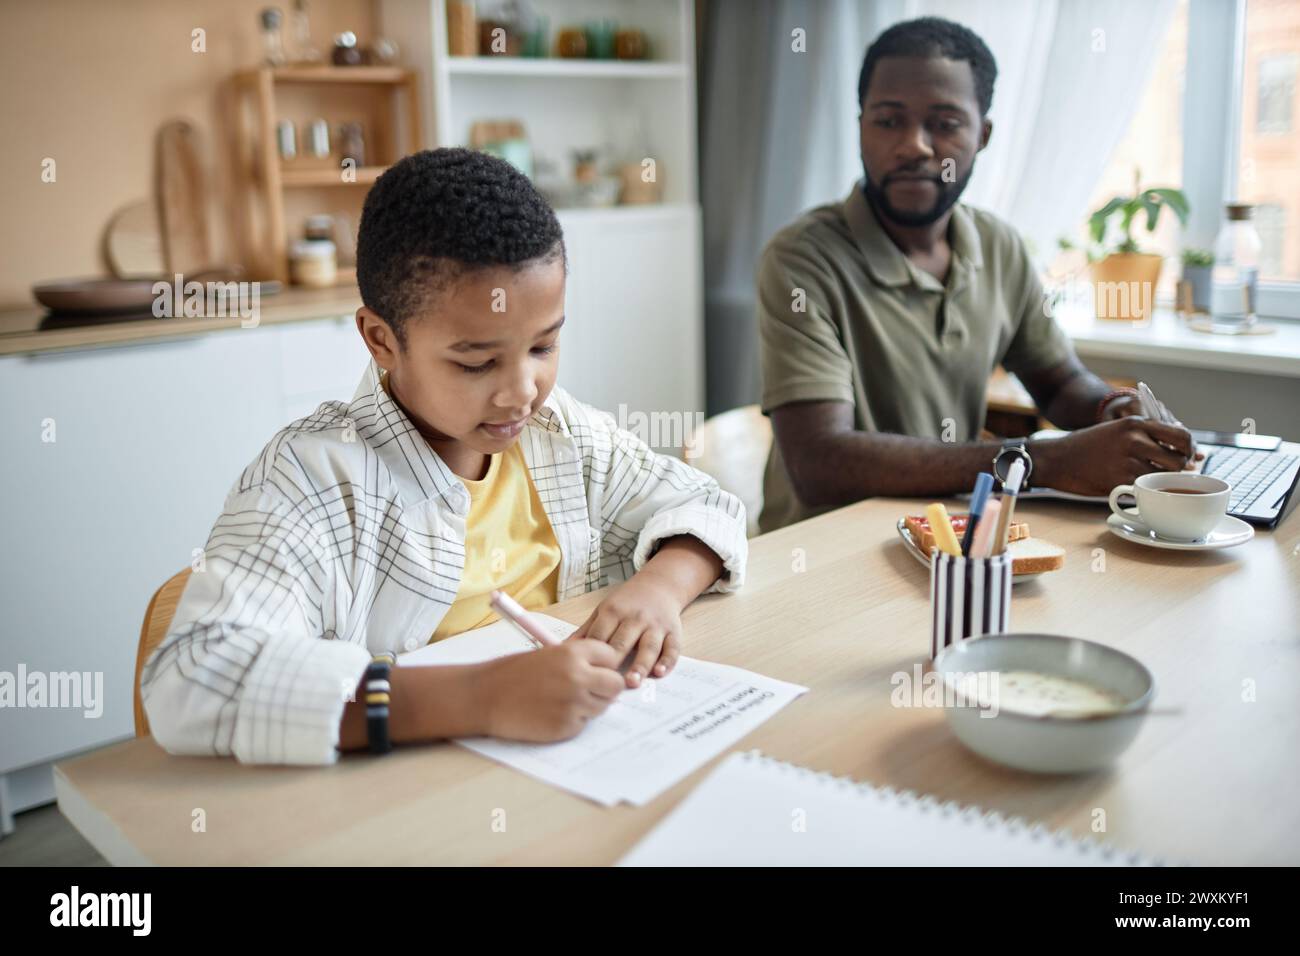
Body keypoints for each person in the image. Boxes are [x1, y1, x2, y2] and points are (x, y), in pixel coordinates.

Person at [143, 149, 747, 765]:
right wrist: (481, 695)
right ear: (382, 340)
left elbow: (707, 501)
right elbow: (192, 678)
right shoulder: (314, 476)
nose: (522, 390)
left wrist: (661, 588)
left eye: (544, 345)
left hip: (575, 765)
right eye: (477, 362)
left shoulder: (560, 431)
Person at [758, 16, 1195, 532]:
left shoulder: (998, 246)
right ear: (860, 127)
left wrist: (1112, 408)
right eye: (888, 120)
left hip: (952, 541)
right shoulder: (803, 259)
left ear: (982, 134)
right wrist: (1043, 461)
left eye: (944, 123)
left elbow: (1057, 382)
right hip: (821, 553)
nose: (915, 146)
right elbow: (819, 462)